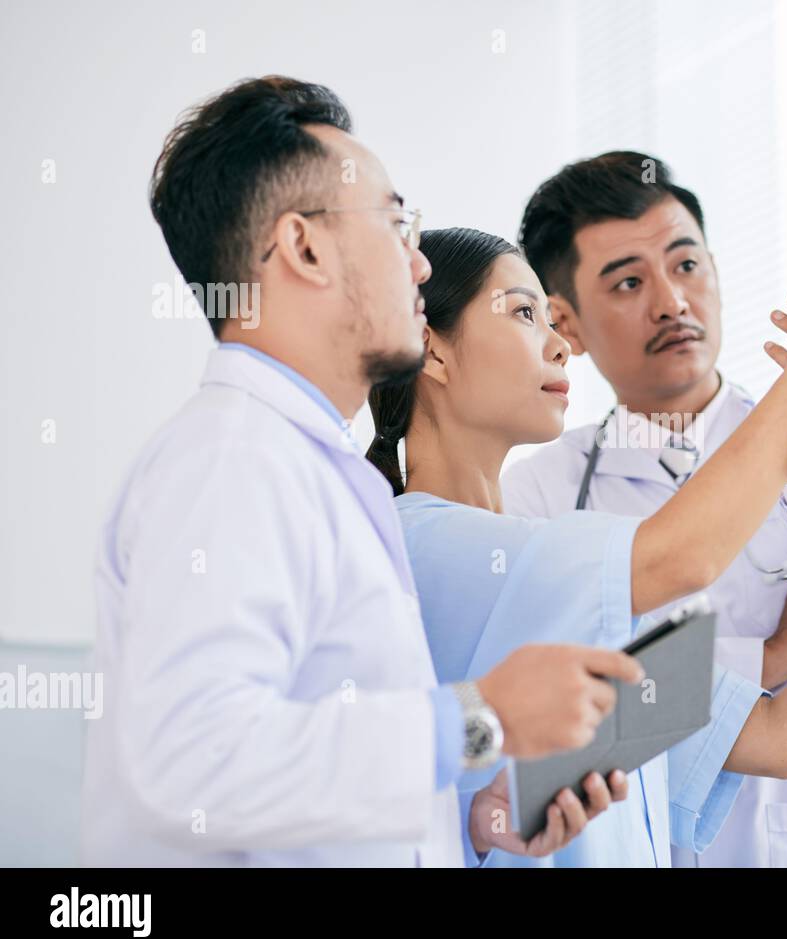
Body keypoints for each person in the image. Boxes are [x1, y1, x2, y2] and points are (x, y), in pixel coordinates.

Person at [81, 76, 639, 868]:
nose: (417, 264)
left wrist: (473, 823)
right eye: (394, 223)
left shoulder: (315, 467)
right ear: (304, 247)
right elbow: (193, 759)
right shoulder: (232, 459)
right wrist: (479, 718)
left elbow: (308, 767)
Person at [367, 216, 787, 867]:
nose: (558, 344)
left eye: (548, 317)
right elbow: (682, 556)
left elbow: (778, 735)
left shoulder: (567, 584)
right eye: (521, 313)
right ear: (433, 348)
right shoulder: (417, 547)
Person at [502, 150, 787, 866]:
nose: (672, 302)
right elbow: (573, 709)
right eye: (629, 281)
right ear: (563, 320)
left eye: (686, 265)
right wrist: (779, 652)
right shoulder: (540, 491)